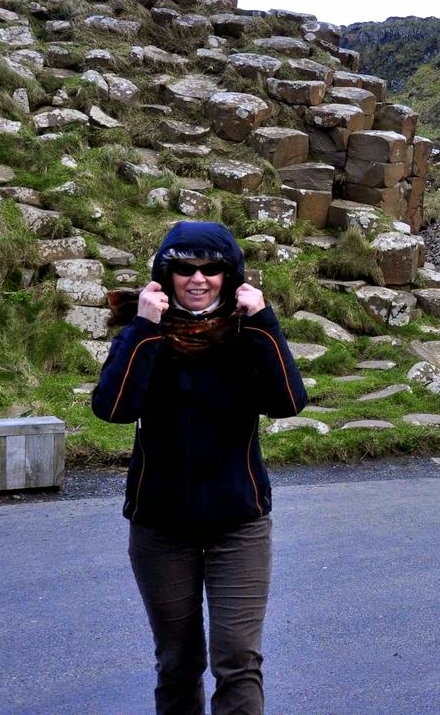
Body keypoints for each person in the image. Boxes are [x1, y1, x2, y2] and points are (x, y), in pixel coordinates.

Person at [92, 220, 307, 714]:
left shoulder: (246, 332)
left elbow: (289, 401)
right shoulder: (142, 333)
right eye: (184, 268)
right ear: (164, 277)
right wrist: (144, 327)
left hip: (239, 523)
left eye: (211, 269)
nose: (197, 279)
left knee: (238, 659)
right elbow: (113, 407)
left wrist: (264, 321)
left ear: (230, 277)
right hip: (160, 524)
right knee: (178, 661)